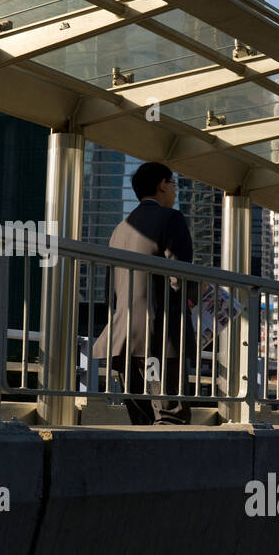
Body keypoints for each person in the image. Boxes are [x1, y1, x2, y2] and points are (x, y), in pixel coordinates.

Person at [92, 162, 195, 425]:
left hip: (124, 338)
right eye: (174, 184)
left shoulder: (120, 228)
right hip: (159, 337)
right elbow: (180, 278)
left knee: (141, 417)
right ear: (162, 184)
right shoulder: (171, 219)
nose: (175, 190)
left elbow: (110, 291)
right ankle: (168, 465)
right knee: (170, 413)